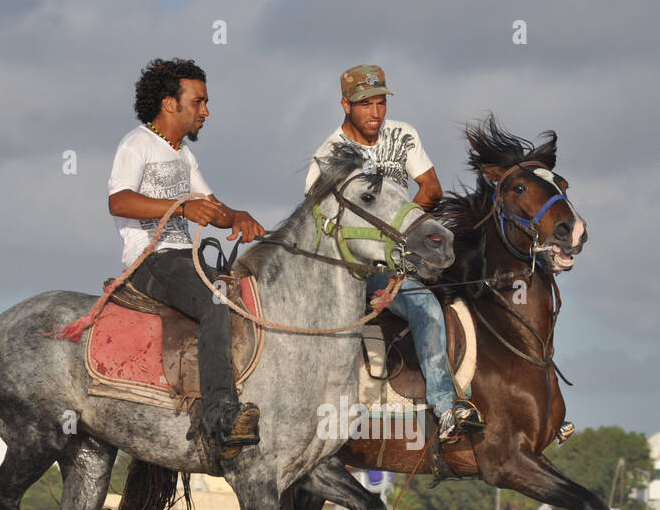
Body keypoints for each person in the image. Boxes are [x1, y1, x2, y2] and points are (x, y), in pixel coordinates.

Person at [305, 64, 484, 445]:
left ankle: (451, 406)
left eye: (381, 102)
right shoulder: (329, 155)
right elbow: (316, 222)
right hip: (355, 267)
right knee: (414, 308)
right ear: (345, 105)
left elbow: (431, 188)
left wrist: (402, 237)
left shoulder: (403, 135)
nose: (376, 113)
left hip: (403, 257)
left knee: (443, 298)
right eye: (365, 104)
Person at [108, 58, 267, 457]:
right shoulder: (136, 144)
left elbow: (210, 207)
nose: (206, 111)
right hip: (151, 260)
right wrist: (179, 208)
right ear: (169, 103)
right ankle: (220, 414)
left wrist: (238, 216)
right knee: (217, 302)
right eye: (199, 102)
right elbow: (118, 200)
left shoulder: (183, 155)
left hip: (186, 258)